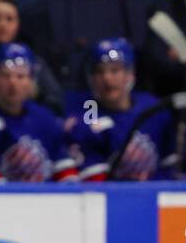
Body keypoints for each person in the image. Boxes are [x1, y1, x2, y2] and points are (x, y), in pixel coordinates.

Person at [0, 42, 77, 182]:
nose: (13, 83)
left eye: (20, 76)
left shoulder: (45, 118)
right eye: (6, 75)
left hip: (43, 201)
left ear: (31, 81)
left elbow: (65, 170)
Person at [65, 37, 176, 181]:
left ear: (130, 74)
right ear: (91, 78)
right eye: (99, 71)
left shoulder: (154, 110)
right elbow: (96, 187)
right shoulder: (85, 116)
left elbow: (170, 171)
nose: (107, 79)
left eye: (115, 70)